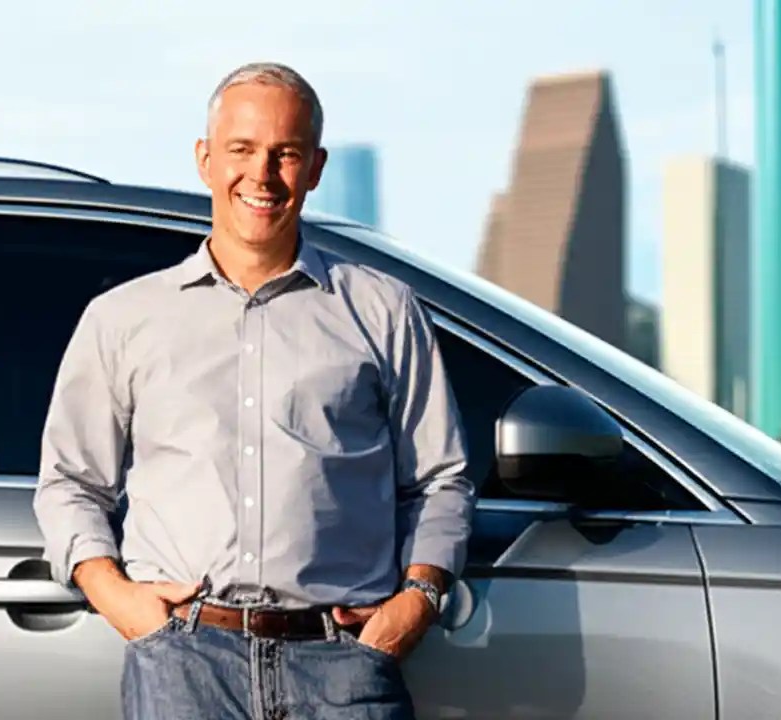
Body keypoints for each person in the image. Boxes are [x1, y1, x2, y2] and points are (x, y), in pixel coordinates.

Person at [32, 61, 475, 719]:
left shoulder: (383, 310)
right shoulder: (125, 319)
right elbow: (70, 481)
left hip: (345, 663)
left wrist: (417, 602)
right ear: (205, 160)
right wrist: (118, 598)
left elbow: (440, 480)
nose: (262, 175)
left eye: (285, 154)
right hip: (184, 664)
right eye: (241, 150)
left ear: (316, 167)